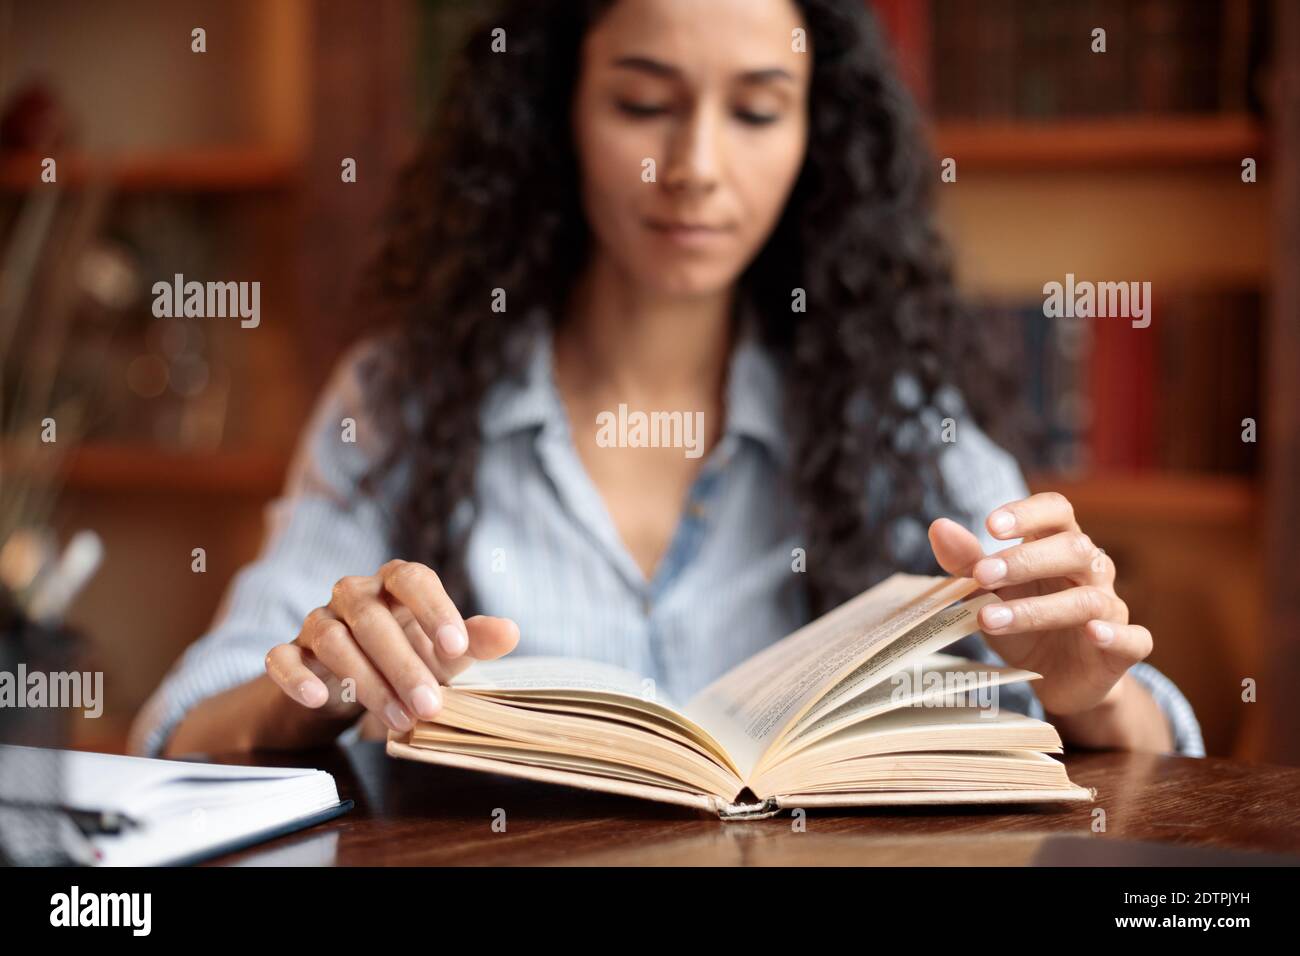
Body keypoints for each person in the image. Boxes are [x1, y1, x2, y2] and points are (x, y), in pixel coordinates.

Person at [129, 0, 1203, 760]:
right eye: (644, 105)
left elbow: (1158, 732)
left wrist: (1085, 689)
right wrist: (314, 693)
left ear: (814, 133)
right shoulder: (401, 396)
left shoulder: (893, 413)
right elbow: (184, 721)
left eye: (755, 110)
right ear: (559, 113)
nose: (693, 166)